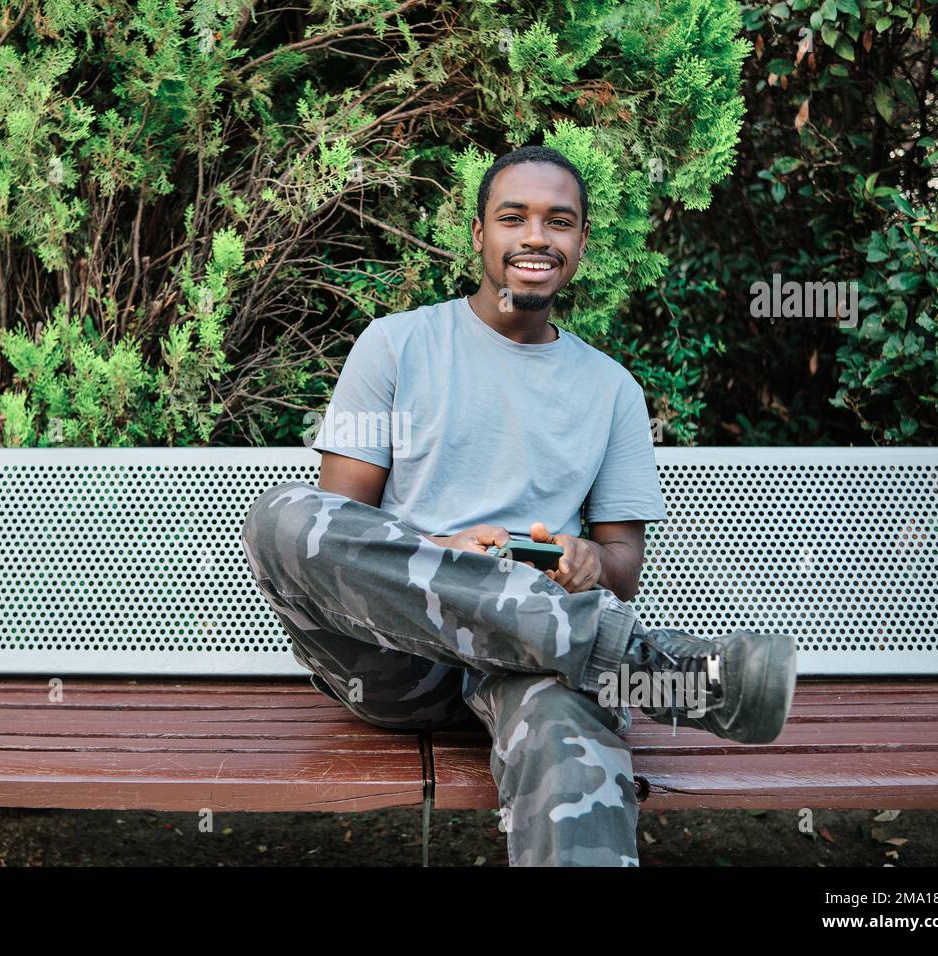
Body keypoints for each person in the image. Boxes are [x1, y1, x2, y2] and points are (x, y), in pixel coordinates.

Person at [239, 145, 797, 867]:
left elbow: (622, 568)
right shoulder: (397, 345)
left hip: (535, 663)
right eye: (514, 217)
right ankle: (644, 662)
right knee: (280, 518)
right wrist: (448, 559)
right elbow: (338, 536)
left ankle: (599, 653)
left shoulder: (613, 392)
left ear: (581, 244)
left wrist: (590, 559)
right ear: (480, 234)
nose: (537, 236)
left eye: (558, 221)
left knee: (574, 750)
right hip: (397, 659)